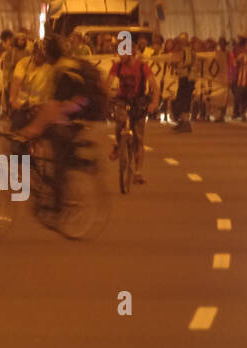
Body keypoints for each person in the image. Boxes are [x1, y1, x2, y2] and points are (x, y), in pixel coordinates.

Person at [12, 35, 107, 215]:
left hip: (82, 112)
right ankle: (57, 174)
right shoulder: (65, 64)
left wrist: (32, 130)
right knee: (48, 131)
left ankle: (58, 201)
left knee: (57, 142)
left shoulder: (62, 69)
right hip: (79, 108)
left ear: (48, 55)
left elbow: (54, 105)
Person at [106, 44, 158, 183]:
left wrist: (154, 102)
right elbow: (108, 83)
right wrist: (107, 96)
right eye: (119, 54)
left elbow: (154, 85)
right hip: (123, 99)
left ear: (131, 53)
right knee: (120, 120)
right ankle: (118, 144)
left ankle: (138, 172)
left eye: (123, 54)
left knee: (138, 139)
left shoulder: (142, 67)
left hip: (139, 101)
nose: (120, 57)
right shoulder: (117, 66)